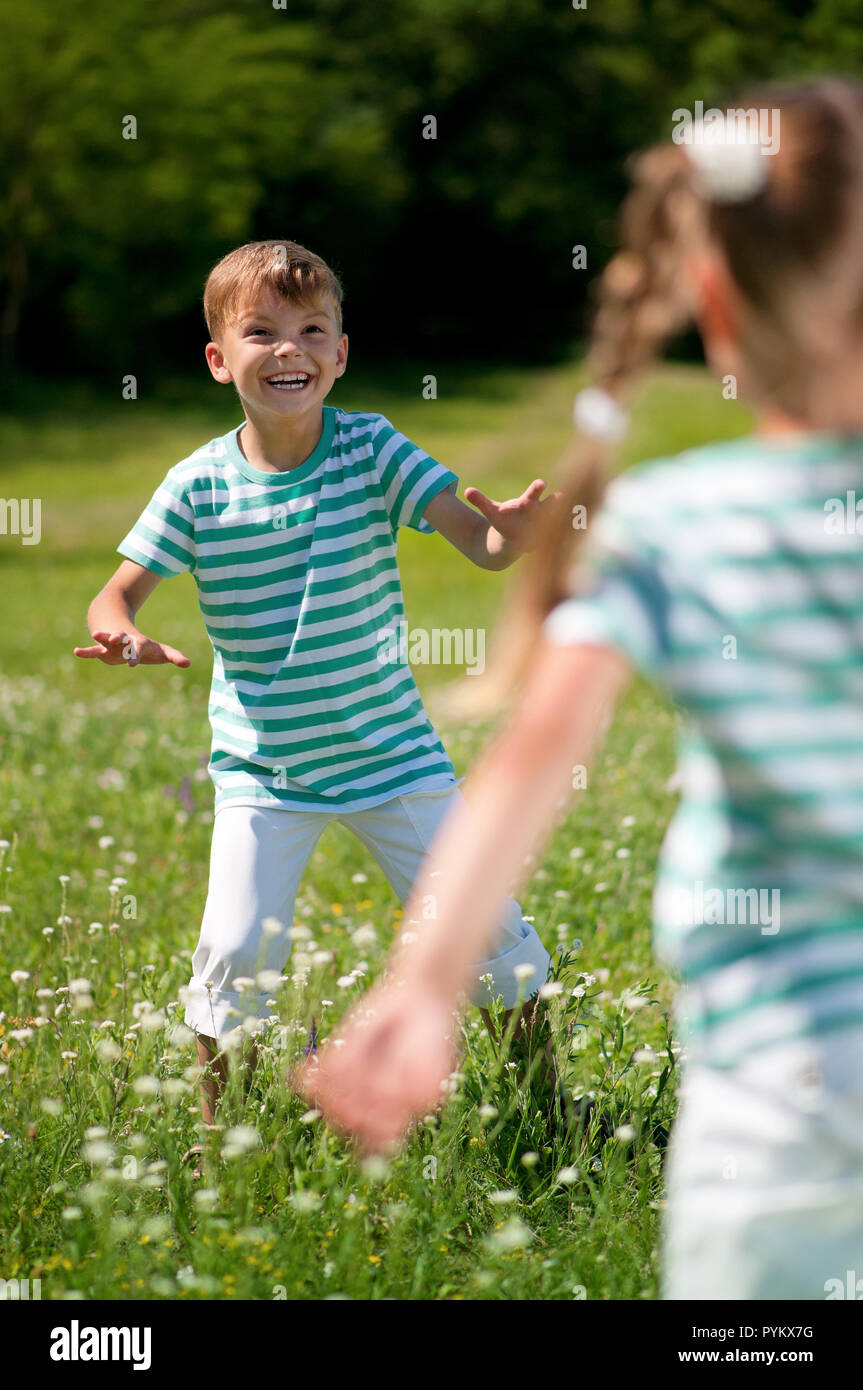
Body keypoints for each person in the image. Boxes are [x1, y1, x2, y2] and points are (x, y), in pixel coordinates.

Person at [295, 80, 863, 1300]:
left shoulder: (674, 523)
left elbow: (526, 762)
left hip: (779, 1105)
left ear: (706, 304)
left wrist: (423, 983)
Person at [73, 239, 556, 1139]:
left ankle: (547, 1112)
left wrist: (513, 538)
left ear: (340, 352)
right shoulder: (198, 486)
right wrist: (122, 629)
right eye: (261, 332)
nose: (288, 348)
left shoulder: (372, 448)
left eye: (310, 330)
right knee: (232, 952)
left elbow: (476, 540)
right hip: (265, 772)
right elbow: (118, 592)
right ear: (220, 360)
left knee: (482, 924)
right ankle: (224, 1145)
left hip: (394, 757)